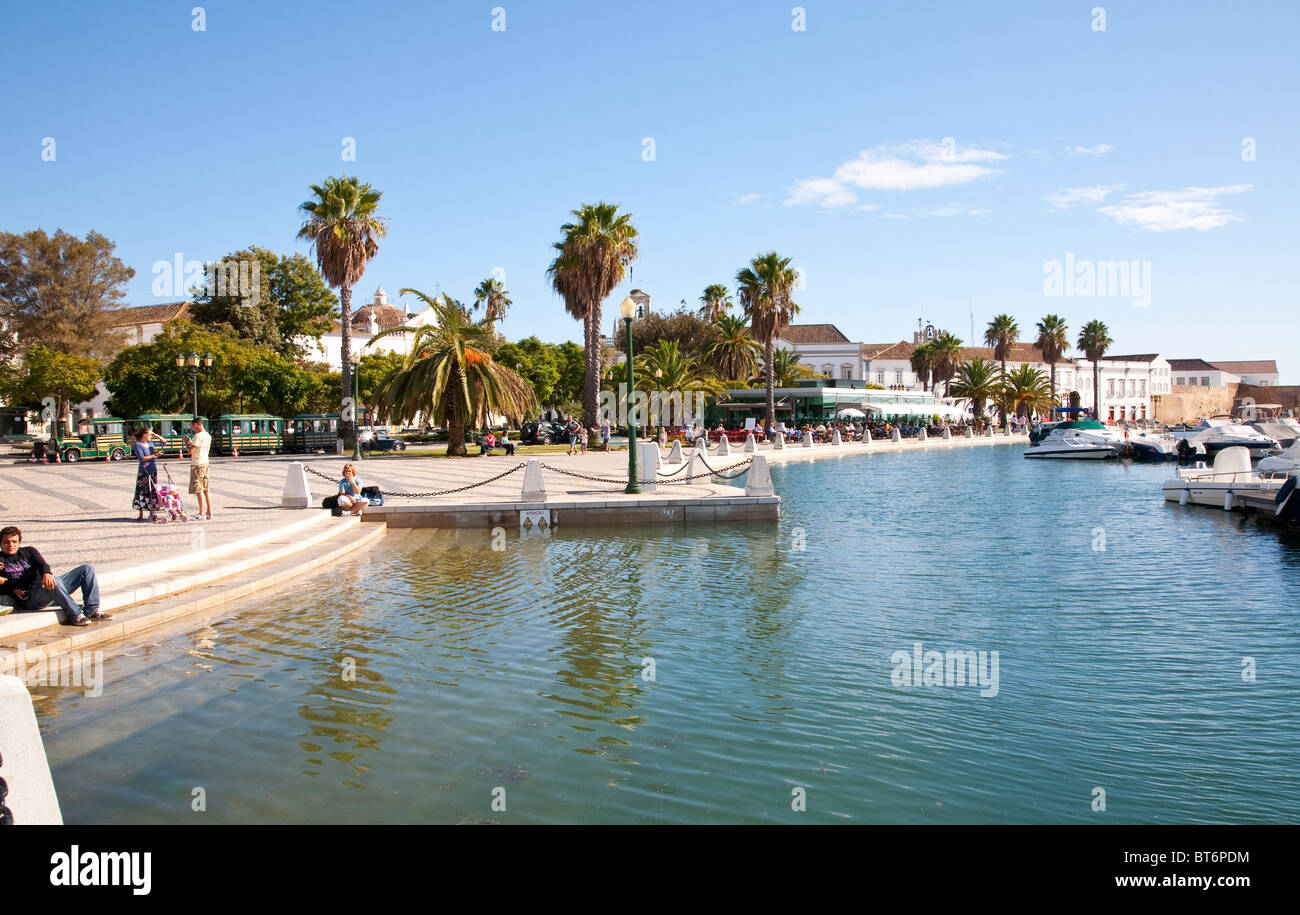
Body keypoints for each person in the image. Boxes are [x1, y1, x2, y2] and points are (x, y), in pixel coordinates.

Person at [0, 526, 110, 627]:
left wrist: (46, 574)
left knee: (87, 569)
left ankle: (92, 611)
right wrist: (13, 589)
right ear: (0, 543)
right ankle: (75, 615)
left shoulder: (29, 551)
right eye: (7, 542)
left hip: (48, 587)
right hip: (32, 598)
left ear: (19, 542)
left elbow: (42, 564)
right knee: (54, 581)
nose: (11, 545)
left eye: (14, 541)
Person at [184, 418, 212, 520]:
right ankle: (209, 511)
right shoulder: (208, 435)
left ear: (196, 424)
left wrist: (186, 443)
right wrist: (191, 442)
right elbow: (198, 448)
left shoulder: (198, 436)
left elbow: (190, 451)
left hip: (197, 464)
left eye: (192, 426)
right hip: (205, 463)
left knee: (198, 488)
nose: (192, 429)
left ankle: (201, 513)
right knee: (206, 489)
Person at [132, 428, 162, 522]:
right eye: (149, 434)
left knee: (152, 491)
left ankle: (151, 512)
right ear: (144, 435)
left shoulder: (150, 444)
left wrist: (156, 435)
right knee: (141, 491)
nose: (150, 436)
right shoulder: (138, 445)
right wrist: (155, 455)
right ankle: (140, 513)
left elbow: (164, 442)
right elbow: (142, 458)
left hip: (152, 470)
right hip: (144, 471)